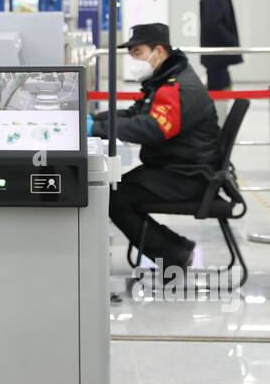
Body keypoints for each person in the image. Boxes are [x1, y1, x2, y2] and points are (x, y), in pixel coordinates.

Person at [89, 23, 221, 270]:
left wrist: (95, 130)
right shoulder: (165, 80)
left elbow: (153, 128)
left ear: (158, 51)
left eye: (137, 52)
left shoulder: (178, 87)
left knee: (113, 198)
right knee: (112, 193)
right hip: (177, 166)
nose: (133, 59)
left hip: (188, 174)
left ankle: (174, 256)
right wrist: (97, 120)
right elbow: (135, 113)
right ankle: (178, 249)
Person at [198, 0, 241, 92]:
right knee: (218, 92)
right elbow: (213, 25)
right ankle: (218, 113)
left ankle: (223, 113)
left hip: (221, 57)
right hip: (216, 56)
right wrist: (230, 40)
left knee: (224, 89)